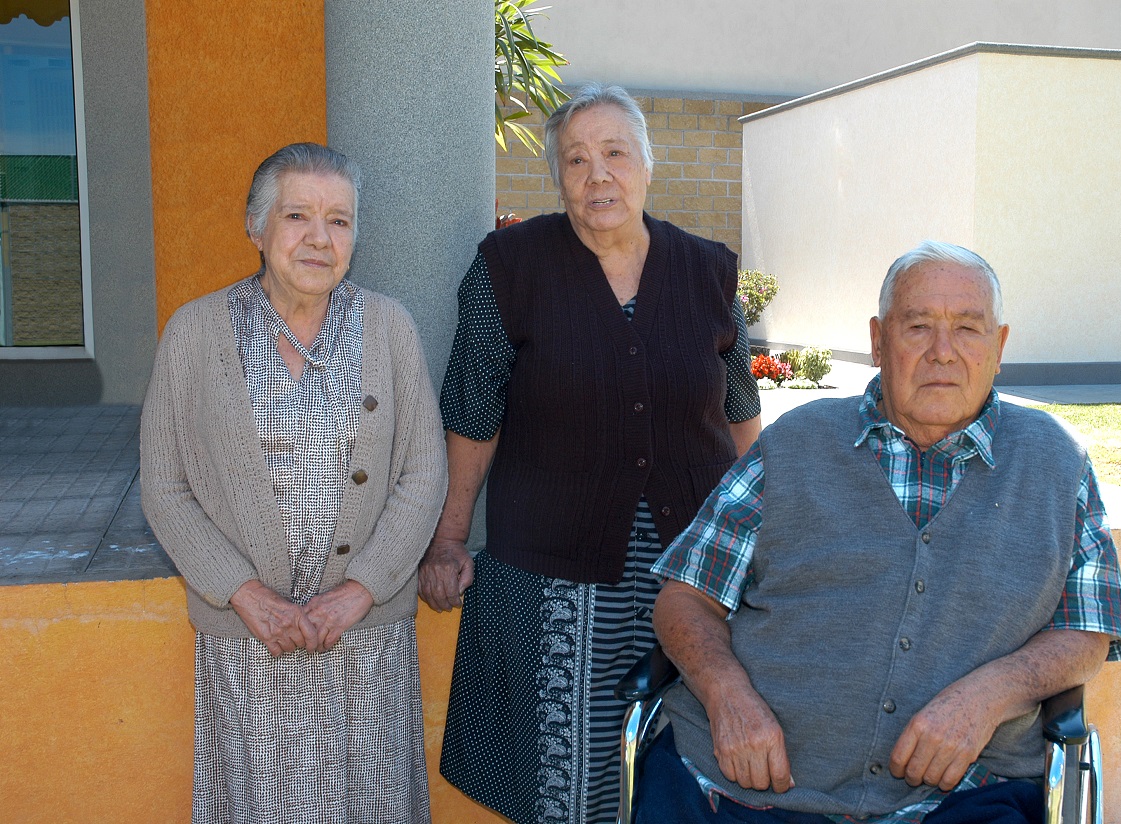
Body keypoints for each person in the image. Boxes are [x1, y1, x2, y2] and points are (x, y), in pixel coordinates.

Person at [640, 241, 1121, 824]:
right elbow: (685, 597)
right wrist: (727, 696)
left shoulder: (1058, 463)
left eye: (968, 329)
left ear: (999, 347)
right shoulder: (795, 442)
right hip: (743, 785)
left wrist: (992, 694)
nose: (943, 353)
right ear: (878, 341)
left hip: (963, 797)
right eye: (919, 326)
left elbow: (1088, 631)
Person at [420, 83, 762, 823]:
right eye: (576, 160)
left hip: (691, 570)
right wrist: (448, 538)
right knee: (566, 780)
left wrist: (755, 542)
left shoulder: (708, 271)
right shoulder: (508, 267)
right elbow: (473, 412)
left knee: (686, 764)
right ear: (557, 178)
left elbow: (740, 414)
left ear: (647, 163)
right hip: (553, 572)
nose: (597, 174)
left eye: (614, 153)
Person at [140, 142, 447, 823]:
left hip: (363, 635)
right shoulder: (194, 333)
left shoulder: (390, 328)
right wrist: (244, 593)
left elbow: (423, 473)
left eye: (339, 221)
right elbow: (164, 486)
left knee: (371, 800)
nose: (319, 238)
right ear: (256, 229)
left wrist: (361, 589)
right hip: (251, 639)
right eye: (297, 216)